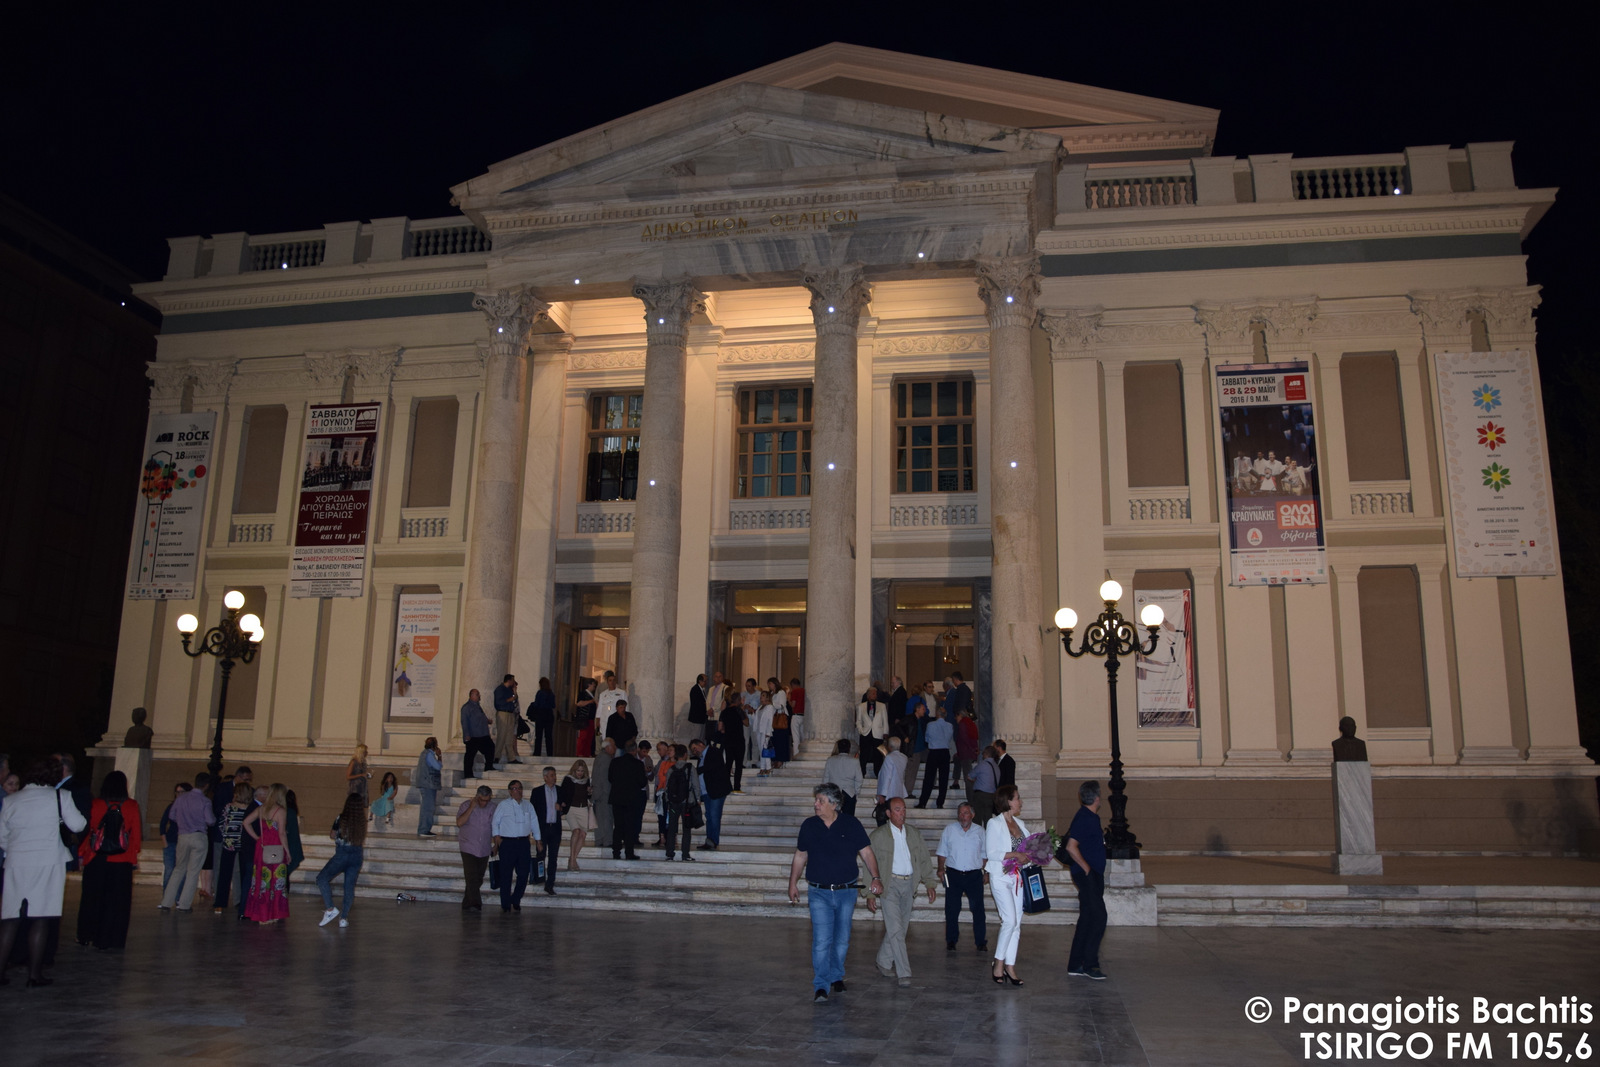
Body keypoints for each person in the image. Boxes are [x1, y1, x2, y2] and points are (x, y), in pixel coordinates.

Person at [788, 783, 881, 1002]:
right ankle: (821, 985)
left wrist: (876, 877)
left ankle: (836, 975)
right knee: (822, 940)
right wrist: (792, 883)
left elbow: (867, 853)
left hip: (846, 891)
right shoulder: (809, 826)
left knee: (842, 939)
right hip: (818, 892)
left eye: (820, 801)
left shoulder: (851, 824)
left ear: (834, 804)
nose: (816, 804)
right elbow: (800, 856)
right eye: (816, 800)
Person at [0, 758, 87, 986]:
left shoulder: (11, 800)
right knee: (41, 916)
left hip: (16, 861)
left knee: (10, 918)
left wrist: (16, 850)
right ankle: (34, 975)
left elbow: (2, 836)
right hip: (48, 861)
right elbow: (78, 825)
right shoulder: (60, 797)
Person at [862, 797, 937, 987]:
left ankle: (883, 960)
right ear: (888, 813)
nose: (902, 813)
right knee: (895, 929)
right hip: (889, 885)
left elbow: (924, 859)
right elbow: (868, 865)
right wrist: (870, 893)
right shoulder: (878, 836)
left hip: (909, 884)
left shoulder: (913, 833)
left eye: (903, 809)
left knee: (900, 928)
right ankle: (904, 972)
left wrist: (929, 882)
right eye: (897, 810)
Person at [75, 770, 142, 951]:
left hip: (96, 857)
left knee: (91, 898)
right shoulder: (131, 805)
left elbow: (88, 831)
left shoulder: (95, 804)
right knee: (118, 902)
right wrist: (133, 856)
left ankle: (86, 935)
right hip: (121, 859)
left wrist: (81, 854)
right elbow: (135, 835)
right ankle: (112, 939)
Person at [1063, 780, 1109, 981]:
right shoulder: (1085, 818)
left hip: (1091, 875)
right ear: (1097, 797)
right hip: (1087, 875)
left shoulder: (1089, 816)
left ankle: (1075, 964)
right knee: (1099, 917)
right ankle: (1090, 964)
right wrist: (1087, 869)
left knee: (1087, 918)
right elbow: (1071, 846)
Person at [985, 784, 1031, 986]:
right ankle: (998, 963)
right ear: (1008, 801)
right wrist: (1015, 855)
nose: (1020, 801)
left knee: (1016, 923)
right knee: (1009, 920)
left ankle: (1010, 966)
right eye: (1017, 798)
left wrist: (1030, 856)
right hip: (1000, 876)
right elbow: (992, 853)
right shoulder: (994, 823)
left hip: (1017, 877)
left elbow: (1029, 848)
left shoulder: (1020, 823)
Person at [936, 802, 988, 952]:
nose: (962, 816)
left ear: (972, 815)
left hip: (974, 876)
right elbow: (942, 851)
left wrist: (986, 872)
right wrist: (940, 868)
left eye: (965, 813)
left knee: (978, 909)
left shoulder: (980, 831)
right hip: (953, 875)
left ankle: (981, 942)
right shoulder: (949, 830)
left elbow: (984, 854)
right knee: (952, 909)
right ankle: (951, 940)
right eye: (960, 813)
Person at [159, 771, 215, 911]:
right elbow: (210, 820)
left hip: (182, 836)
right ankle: (184, 905)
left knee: (178, 869)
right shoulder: (205, 801)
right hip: (198, 836)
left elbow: (172, 816)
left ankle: (166, 902)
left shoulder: (181, 799)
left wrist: (183, 821)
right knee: (193, 872)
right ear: (206, 785)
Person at [241, 784, 291, 923]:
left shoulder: (261, 808)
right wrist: (287, 851)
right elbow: (281, 833)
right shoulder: (280, 811)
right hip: (275, 848)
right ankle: (273, 913)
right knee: (276, 880)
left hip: (262, 847)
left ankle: (261, 914)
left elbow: (246, 822)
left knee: (262, 879)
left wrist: (257, 838)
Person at [316, 794, 368, 928]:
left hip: (343, 853)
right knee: (349, 887)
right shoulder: (362, 821)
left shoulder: (341, 818)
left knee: (322, 878)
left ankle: (330, 908)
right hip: (357, 854)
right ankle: (343, 918)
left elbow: (332, 834)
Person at [492, 779, 538, 911]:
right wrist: (497, 839)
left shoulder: (528, 805)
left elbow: (534, 822)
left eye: (519, 788)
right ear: (510, 791)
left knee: (523, 873)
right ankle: (505, 904)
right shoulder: (503, 805)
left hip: (523, 842)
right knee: (506, 875)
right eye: (514, 788)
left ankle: (516, 898)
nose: (517, 791)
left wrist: (538, 839)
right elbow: (495, 822)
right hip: (508, 843)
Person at [213, 782, 252, 914]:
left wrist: (226, 835)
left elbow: (222, 823)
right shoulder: (251, 808)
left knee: (224, 873)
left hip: (229, 842)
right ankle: (243, 901)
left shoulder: (229, 807)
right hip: (245, 843)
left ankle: (220, 903)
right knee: (244, 873)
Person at [456, 784, 494, 910]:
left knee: (478, 878)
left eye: (487, 800)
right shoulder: (465, 805)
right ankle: (476, 903)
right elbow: (459, 823)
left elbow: (496, 826)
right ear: (477, 797)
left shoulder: (493, 807)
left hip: (484, 847)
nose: (484, 803)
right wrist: (471, 808)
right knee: (471, 876)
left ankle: (467, 902)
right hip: (468, 846)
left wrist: (496, 844)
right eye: (482, 800)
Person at [607, 740, 645, 860]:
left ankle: (616, 852)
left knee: (618, 826)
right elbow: (642, 782)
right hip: (632, 800)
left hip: (617, 798)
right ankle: (629, 852)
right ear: (635, 750)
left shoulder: (615, 762)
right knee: (630, 826)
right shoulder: (638, 764)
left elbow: (610, 778)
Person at [530, 766, 564, 895]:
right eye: (551, 775)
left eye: (555, 775)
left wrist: (561, 808)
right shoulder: (537, 791)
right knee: (540, 855)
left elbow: (565, 806)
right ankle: (539, 878)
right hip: (542, 828)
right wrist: (535, 833)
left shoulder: (560, 790)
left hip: (555, 828)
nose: (554, 777)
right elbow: (532, 812)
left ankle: (550, 884)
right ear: (545, 777)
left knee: (553, 858)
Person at [691, 738, 729, 851]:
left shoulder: (713, 751)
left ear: (701, 744)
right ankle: (709, 840)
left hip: (716, 790)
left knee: (714, 816)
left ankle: (713, 841)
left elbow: (711, 766)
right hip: (706, 792)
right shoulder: (701, 758)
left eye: (695, 748)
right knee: (709, 817)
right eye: (693, 751)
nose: (694, 752)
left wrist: (697, 770)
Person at [918, 706, 954, 809]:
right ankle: (940, 803)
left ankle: (923, 802)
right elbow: (949, 738)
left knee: (929, 778)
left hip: (934, 752)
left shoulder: (930, 725)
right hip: (945, 752)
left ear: (937, 714)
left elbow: (927, 738)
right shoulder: (950, 726)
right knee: (943, 779)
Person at [559, 760, 592, 871]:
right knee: (576, 831)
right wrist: (562, 803)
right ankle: (572, 860)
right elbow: (562, 793)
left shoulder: (586, 780)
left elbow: (588, 796)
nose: (580, 773)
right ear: (574, 770)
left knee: (583, 834)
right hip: (571, 809)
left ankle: (572, 859)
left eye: (582, 771)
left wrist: (589, 792)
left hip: (583, 808)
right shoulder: (568, 779)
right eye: (578, 770)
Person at [158, 781, 191, 890]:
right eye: (177, 792)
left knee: (182, 872)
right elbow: (163, 824)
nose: (179, 795)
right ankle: (167, 896)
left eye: (182, 792)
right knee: (169, 871)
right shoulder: (171, 807)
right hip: (171, 842)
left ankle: (179, 897)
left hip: (184, 843)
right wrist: (165, 843)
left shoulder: (191, 808)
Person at [822, 740, 863, 818]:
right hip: (849, 793)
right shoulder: (854, 761)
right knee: (848, 819)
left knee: (833, 818)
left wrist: (826, 793)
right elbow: (859, 779)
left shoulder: (831, 760)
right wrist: (856, 792)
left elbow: (826, 778)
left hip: (834, 793)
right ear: (849, 748)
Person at [460, 689, 494, 778]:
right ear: (472, 695)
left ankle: (488, 766)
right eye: (477, 694)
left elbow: (480, 717)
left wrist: (487, 721)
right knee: (470, 755)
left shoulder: (478, 706)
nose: (479, 696)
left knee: (491, 748)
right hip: (473, 736)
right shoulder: (466, 708)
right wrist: (467, 734)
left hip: (482, 734)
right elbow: (464, 722)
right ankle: (468, 774)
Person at [855, 687, 888, 780]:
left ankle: (878, 773)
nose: (875, 695)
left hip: (878, 733)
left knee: (878, 755)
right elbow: (858, 721)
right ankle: (862, 772)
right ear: (868, 695)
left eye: (875, 694)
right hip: (865, 733)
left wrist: (885, 732)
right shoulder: (861, 706)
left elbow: (885, 720)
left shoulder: (882, 706)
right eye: (873, 694)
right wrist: (861, 730)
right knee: (864, 754)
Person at [717, 691, 746, 793]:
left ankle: (726, 786)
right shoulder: (739, 710)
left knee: (728, 764)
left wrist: (725, 729)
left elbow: (719, 727)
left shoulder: (724, 712)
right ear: (738, 700)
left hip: (728, 740)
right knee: (738, 764)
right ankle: (736, 787)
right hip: (739, 740)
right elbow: (746, 723)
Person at [414, 736, 443, 836]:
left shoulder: (424, 753)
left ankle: (423, 829)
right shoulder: (429, 754)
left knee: (426, 807)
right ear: (435, 745)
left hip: (425, 783)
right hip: (429, 784)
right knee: (428, 808)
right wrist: (439, 756)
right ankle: (424, 829)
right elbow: (438, 766)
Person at [875, 736, 908, 821]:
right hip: (899, 790)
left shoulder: (889, 758)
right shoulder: (904, 757)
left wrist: (882, 794)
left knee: (883, 816)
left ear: (889, 746)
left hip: (889, 792)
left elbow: (887, 777)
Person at [591, 739, 615, 854]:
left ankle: (600, 838)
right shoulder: (606, 759)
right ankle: (607, 840)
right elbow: (604, 778)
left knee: (600, 817)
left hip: (599, 792)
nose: (615, 749)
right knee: (606, 817)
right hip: (604, 793)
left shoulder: (599, 757)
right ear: (608, 747)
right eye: (613, 746)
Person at [493, 674, 523, 767]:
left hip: (510, 714)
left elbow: (515, 700)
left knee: (510, 736)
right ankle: (496, 756)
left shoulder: (510, 690)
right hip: (503, 713)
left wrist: (515, 692)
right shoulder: (500, 689)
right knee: (502, 735)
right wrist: (510, 699)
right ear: (509, 681)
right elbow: (499, 702)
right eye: (512, 680)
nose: (513, 682)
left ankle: (511, 757)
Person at [953, 707, 980, 802]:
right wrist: (975, 749)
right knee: (956, 759)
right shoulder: (971, 723)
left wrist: (971, 749)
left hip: (966, 753)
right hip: (968, 752)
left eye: (956, 716)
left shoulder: (962, 724)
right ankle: (955, 781)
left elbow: (964, 738)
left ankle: (971, 800)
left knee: (968, 777)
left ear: (960, 715)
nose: (956, 718)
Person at [970, 745, 1001, 824]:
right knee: (988, 819)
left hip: (980, 795)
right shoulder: (997, 767)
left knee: (977, 819)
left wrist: (976, 779)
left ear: (986, 753)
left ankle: (978, 832)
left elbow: (969, 776)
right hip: (991, 796)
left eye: (983, 753)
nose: (982, 755)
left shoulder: (983, 764)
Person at [529, 677, 556, 758]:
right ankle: (550, 753)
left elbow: (537, 704)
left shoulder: (540, 693)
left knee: (539, 736)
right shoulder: (551, 694)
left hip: (540, 715)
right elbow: (553, 705)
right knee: (549, 736)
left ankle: (537, 753)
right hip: (549, 715)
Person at [596, 671, 628, 740]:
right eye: (610, 680)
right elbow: (600, 709)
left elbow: (627, 708)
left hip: (617, 720)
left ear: (616, 682)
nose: (612, 682)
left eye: (613, 680)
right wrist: (598, 721)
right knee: (606, 739)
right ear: (607, 682)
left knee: (617, 739)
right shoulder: (602, 694)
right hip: (605, 720)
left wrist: (626, 720)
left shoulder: (622, 693)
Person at [768, 678, 792, 769]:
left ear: (775, 684)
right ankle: (775, 759)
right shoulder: (771, 693)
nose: (769, 685)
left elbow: (781, 705)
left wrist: (771, 703)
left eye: (770, 683)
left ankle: (780, 760)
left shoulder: (781, 692)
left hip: (780, 718)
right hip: (773, 719)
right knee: (774, 741)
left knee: (781, 741)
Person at [574, 677, 599, 757]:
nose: (594, 686)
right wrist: (591, 701)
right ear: (589, 684)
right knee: (583, 737)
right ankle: (580, 753)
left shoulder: (593, 695)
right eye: (593, 684)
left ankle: (587, 753)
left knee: (590, 737)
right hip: (584, 718)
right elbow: (579, 703)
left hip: (591, 719)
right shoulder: (583, 694)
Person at [754, 691, 776, 778]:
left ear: (767, 697)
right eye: (761, 696)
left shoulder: (770, 707)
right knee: (761, 750)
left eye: (763, 696)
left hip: (765, 731)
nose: (761, 697)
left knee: (765, 749)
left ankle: (768, 767)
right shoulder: (760, 707)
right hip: (759, 731)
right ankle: (762, 767)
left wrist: (768, 732)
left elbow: (770, 720)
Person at [788, 676, 807, 748]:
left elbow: (793, 704)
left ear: (793, 685)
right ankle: (803, 751)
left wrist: (788, 700)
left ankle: (796, 753)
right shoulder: (804, 691)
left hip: (796, 715)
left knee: (796, 737)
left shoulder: (795, 691)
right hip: (803, 715)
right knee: (803, 736)